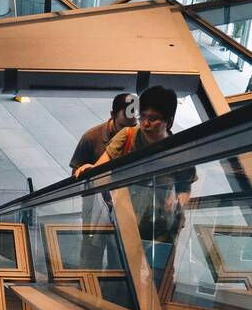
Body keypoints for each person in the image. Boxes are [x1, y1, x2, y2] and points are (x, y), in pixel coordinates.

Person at [75, 85, 195, 255]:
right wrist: (91, 170)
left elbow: (185, 188)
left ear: (169, 121)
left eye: (153, 119)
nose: (145, 124)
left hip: (160, 231)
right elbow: (102, 166)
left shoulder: (181, 150)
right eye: (142, 117)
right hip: (125, 222)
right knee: (119, 270)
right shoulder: (128, 135)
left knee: (156, 276)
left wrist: (177, 203)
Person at [69, 93, 136, 174]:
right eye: (122, 126)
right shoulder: (90, 138)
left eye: (133, 126)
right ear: (112, 115)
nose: (127, 131)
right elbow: (75, 173)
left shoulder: (139, 133)